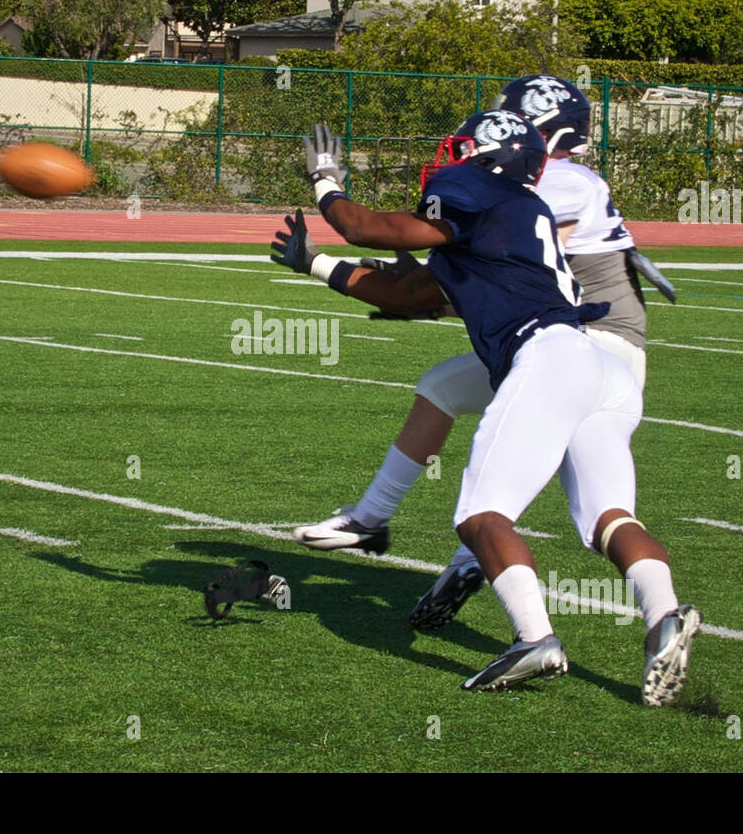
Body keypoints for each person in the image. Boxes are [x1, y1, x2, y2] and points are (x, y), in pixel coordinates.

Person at [272, 111, 700, 703]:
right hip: (600, 369)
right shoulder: (515, 218)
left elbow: (366, 228)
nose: (451, 161)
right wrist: (316, 264)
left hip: (548, 358)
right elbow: (407, 294)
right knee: (609, 519)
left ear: (493, 158)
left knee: (480, 515)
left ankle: (535, 639)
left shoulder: (481, 194)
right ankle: (665, 616)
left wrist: (325, 181)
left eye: (464, 150)